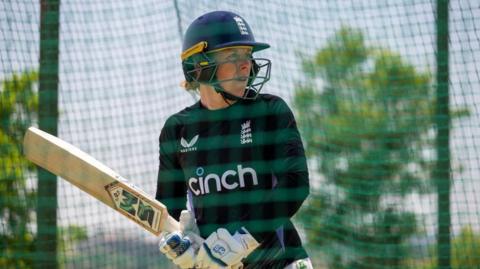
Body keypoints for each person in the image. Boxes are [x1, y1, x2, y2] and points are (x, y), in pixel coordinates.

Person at [156, 10, 313, 269]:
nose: (245, 64)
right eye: (232, 56)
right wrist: (180, 243)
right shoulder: (177, 129)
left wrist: (240, 240)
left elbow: (295, 184)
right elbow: (168, 206)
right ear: (200, 66)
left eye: (247, 56)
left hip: (282, 262)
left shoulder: (270, 111)